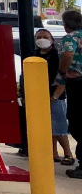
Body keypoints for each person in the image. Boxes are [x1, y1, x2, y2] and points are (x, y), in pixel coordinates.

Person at [33, 28, 73, 166]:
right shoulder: (35, 54)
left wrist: (55, 95)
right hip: (39, 95)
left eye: (45, 36)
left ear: (51, 40)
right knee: (48, 128)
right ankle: (53, 153)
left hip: (56, 95)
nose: (42, 39)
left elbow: (62, 76)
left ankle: (68, 154)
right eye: (39, 37)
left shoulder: (57, 55)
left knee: (59, 127)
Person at [59, 10, 82, 178]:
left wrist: (62, 70)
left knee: (77, 124)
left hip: (77, 83)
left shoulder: (71, 38)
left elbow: (68, 54)